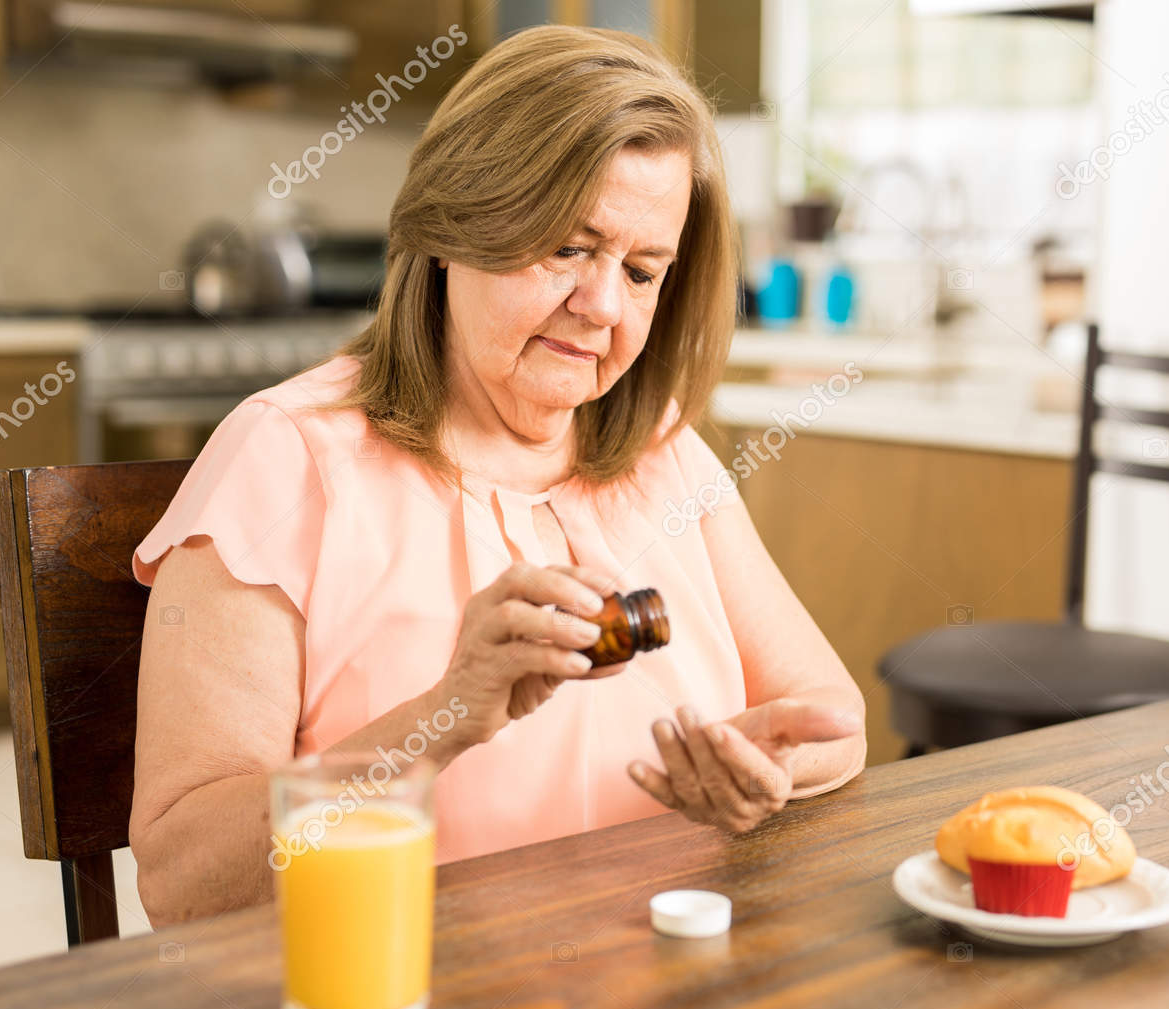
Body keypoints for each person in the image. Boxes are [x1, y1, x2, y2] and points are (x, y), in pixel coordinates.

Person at [129, 25, 865, 926]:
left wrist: (764, 768)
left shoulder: (665, 454)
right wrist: (442, 718)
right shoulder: (284, 460)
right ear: (453, 227)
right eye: (566, 248)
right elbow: (180, 877)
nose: (602, 307)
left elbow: (835, 716)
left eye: (641, 272)